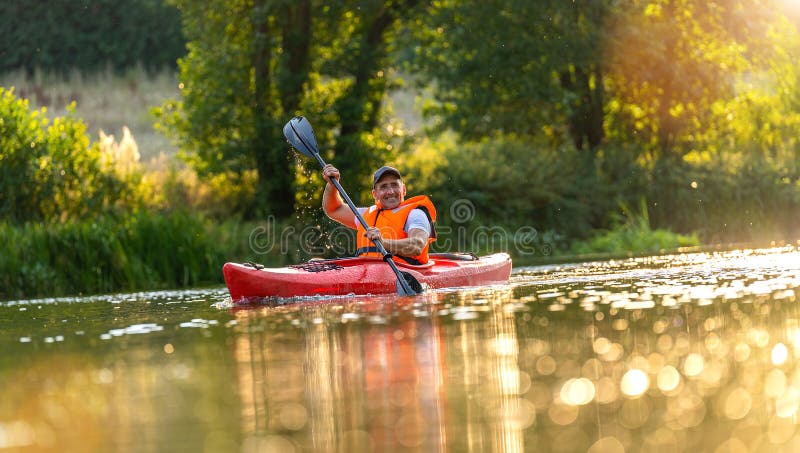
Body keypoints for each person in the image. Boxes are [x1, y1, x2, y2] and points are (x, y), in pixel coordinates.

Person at [322, 164, 437, 265]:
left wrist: (383, 243)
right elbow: (333, 209)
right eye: (383, 187)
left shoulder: (415, 214)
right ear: (375, 194)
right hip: (365, 274)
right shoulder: (366, 214)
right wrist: (332, 185)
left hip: (404, 274)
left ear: (404, 189)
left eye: (394, 185)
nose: (390, 191)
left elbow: (417, 246)